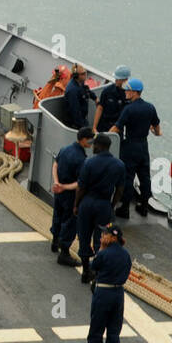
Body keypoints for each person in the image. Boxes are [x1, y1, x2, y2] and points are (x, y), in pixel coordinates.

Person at [74, 134, 126, 284]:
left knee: (84, 237)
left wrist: (76, 205)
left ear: (99, 146)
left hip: (87, 203)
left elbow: (81, 188)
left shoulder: (88, 163)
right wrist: (111, 206)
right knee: (101, 240)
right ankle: (97, 275)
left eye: (94, 145)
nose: (93, 147)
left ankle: (85, 271)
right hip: (104, 205)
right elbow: (120, 190)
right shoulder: (119, 165)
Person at [110, 77, 161, 218]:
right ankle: (144, 206)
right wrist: (156, 132)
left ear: (134, 92)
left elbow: (117, 127)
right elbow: (157, 127)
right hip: (144, 146)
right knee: (145, 177)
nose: (125, 92)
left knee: (128, 177)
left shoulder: (128, 109)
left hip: (130, 146)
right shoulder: (150, 107)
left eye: (128, 90)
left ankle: (124, 208)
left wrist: (103, 136)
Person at [86, 223, 132, 343]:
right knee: (114, 328)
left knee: (97, 326)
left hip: (103, 292)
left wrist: (100, 251)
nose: (101, 236)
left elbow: (94, 266)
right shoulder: (126, 255)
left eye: (104, 234)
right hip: (118, 294)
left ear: (113, 237)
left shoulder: (104, 254)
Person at [50, 127, 93, 267]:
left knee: (57, 215)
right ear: (83, 140)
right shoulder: (81, 159)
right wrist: (64, 187)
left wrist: (57, 183)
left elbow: (55, 165)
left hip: (59, 191)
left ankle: (54, 241)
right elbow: (80, 183)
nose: (92, 142)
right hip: (69, 195)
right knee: (69, 221)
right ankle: (64, 253)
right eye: (90, 139)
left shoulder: (64, 149)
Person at [93, 65, 131, 133]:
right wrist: (94, 127)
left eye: (118, 79)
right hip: (103, 126)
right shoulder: (107, 91)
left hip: (117, 128)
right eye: (115, 78)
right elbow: (100, 108)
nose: (115, 80)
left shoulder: (129, 94)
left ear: (125, 80)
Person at [61, 63, 94, 130]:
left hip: (82, 119)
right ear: (76, 76)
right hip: (74, 125)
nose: (85, 75)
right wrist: (84, 127)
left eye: (85, 73)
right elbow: (75, 112)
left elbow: (86, 89)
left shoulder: (80, 82)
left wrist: (95, 98)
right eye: (83, 74)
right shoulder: (72, 91)